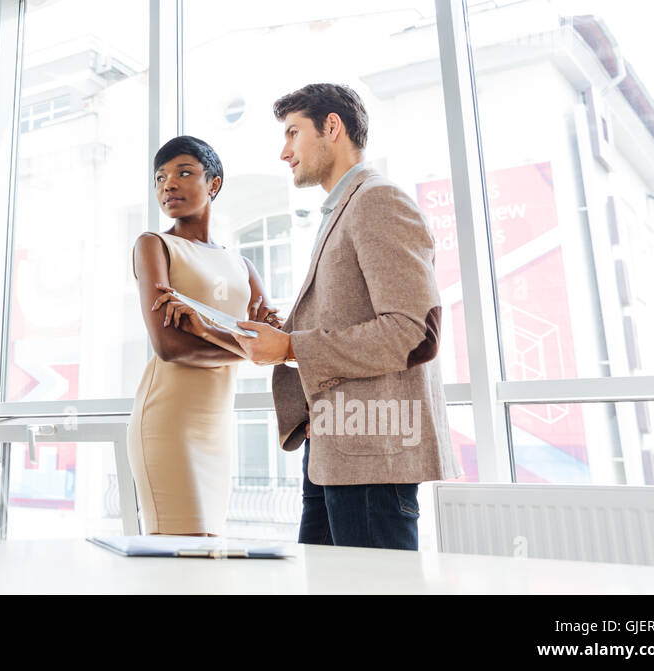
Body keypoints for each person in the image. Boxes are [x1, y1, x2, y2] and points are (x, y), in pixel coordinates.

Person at [231, 83, 462, 551]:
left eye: (293, 133)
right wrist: (283, 334)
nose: (284, 152)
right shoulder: (342, 207)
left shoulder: (378, 200)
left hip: (373, 456)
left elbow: (415, 333)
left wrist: (294, 348)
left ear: (331, 126)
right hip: (335, 445)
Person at [126, 135, 282, 536]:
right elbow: (170, 347)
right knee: (178, 552)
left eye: (183, 173)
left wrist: (208, 329)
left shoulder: (242, 264)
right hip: (168, 419)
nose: (168, 185)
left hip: (217, 423)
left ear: (214, 183)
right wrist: (252, 349)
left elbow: (279, 340)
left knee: (205, 553)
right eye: (159, 178)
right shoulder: (154, 246)